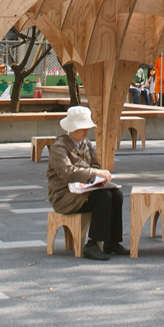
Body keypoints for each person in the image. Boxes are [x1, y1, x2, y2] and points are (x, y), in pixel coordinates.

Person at [46, 105, 127, 261]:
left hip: (83, 191)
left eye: (87, 127)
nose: (86, 130)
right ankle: (92, 244)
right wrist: (95, 173)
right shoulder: (58, 147)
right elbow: (68, 173)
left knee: (116, 194)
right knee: (103, 198)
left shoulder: (87, 144)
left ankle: (112, 241)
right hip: (64, 196)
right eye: (82, 127)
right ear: (71, 128)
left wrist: (98, 180)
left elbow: (95, 165)